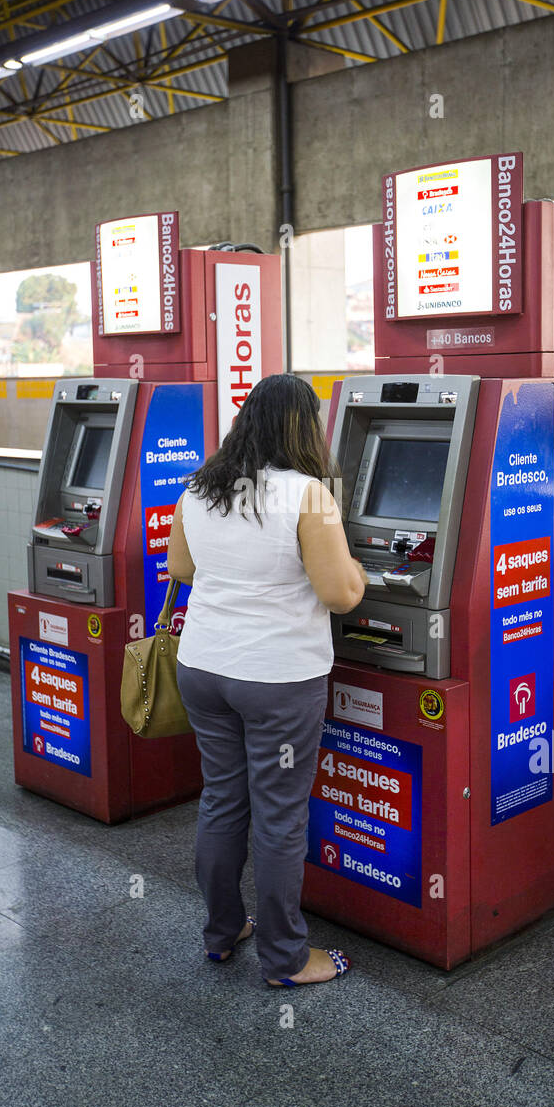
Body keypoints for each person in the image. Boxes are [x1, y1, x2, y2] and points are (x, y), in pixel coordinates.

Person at [166, 373, 367, 987]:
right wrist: (356, 565)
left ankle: (223, 933)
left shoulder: (200, 486)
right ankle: (285, 960)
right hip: (276, 679)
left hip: (203, 668)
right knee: (279, 815)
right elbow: (340, 594)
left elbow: (180, 566)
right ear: (305, 428)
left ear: (245, 421)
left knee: (222, 799)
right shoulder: (308, 495)